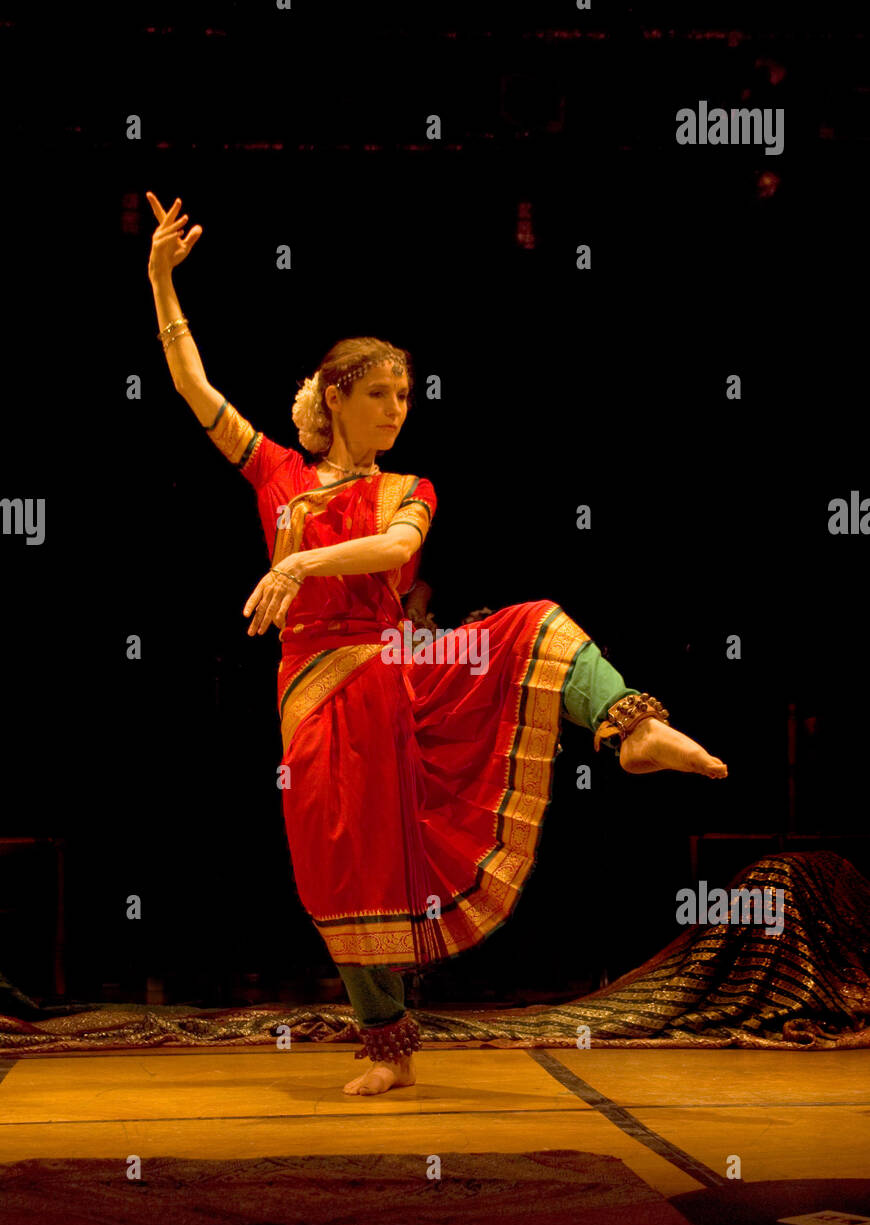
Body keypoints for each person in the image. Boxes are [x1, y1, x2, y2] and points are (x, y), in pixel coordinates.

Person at [146, 192, 728, 1096]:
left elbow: (398, 551)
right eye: (379, 394)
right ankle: (388, 1041)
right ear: (336, 394)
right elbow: (192, 386)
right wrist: (159, 279)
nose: (396, 409)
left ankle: (627, 727)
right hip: (314, 690)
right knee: (337, 859)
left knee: (532, 623)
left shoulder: (409, 487)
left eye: (406, 395)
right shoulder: (279, 473)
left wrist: (302, 566)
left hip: (399, 668)